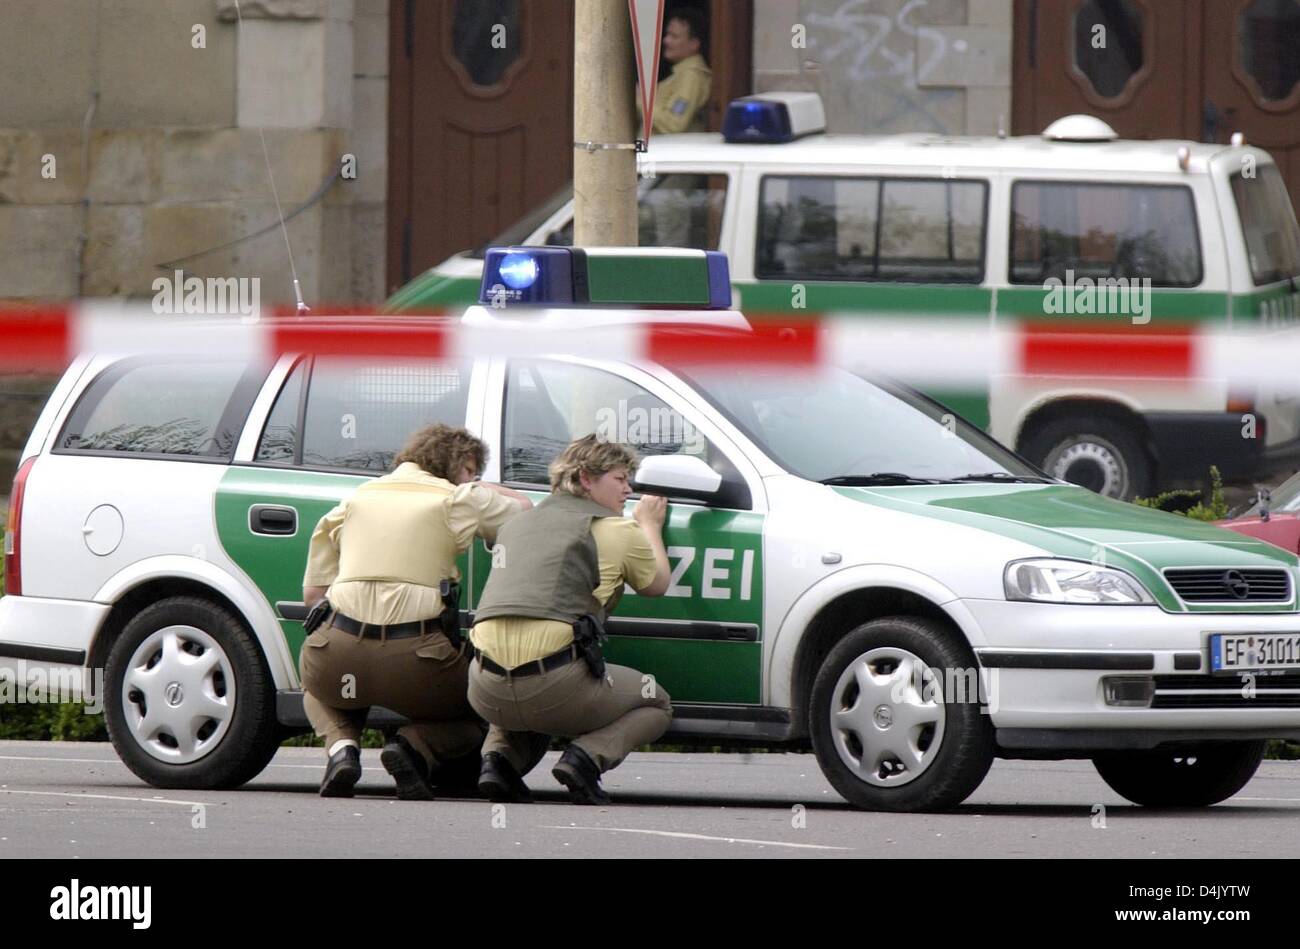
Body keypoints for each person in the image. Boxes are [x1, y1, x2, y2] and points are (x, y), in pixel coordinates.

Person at [300, 423, 532, 799]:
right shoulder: (458, 498)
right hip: (419, 661)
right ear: (462, 464)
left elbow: (313, 594)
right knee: (484, 705)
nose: (474, 480)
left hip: (338, 654)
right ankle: (413, 746)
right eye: (473, 471)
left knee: (316, 687)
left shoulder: (358, 497)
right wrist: (477, 487)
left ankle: (342, 749)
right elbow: (523, 509)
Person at [467, 435, 673, 804]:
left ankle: (497, 763)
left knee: (518, 675)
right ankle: (584, 759)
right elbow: (657, 584)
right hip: (553, 687)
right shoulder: (619, 529)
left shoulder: (518, 523)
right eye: (620, 478)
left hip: (484, 686)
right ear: (585, 479)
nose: (629, 488)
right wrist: (650, 525)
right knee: (655, 702)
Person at [637, 8, 712, 134]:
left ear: (694, 44)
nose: (666, 40)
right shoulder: (682, 74)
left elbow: (674, 124)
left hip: (670, 151)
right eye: (667, 34)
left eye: (674, 36)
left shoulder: (692, 76)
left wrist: (641, 100)